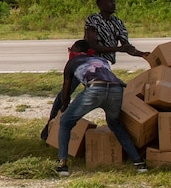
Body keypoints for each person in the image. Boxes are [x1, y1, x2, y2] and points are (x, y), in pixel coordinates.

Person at [54, 39, 146, 175]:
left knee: (66, 122)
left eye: (72, 48)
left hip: (95, 89)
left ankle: (62, 165)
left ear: (77, 50)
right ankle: (139, 162)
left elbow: (66, 92)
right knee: (115, 124)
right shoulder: (102, 61)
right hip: (116, 89)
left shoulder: (72, 62)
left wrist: (64, 107)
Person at [84, 0, 148, 65]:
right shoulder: (93, 20)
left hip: (105, 63)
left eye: (114, 2)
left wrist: (143, 54)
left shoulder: (118, 22)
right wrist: (118, 49)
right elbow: (92, 46)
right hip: (91, 61)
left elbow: (126, 47)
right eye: (110, 2)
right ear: (100, 5)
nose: (114, 4)